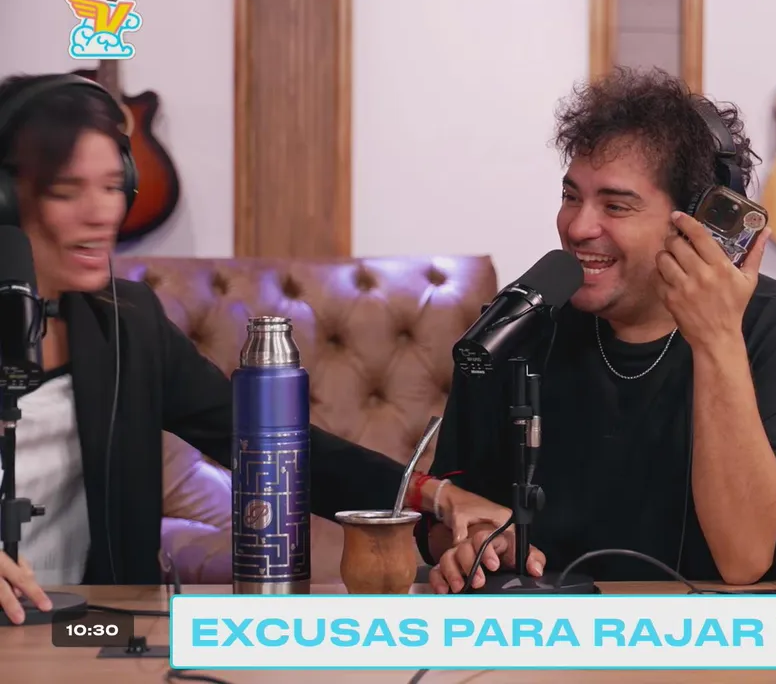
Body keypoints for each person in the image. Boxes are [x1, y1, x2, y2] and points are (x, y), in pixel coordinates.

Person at [0, 73, 507, 624]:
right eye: (66, 191)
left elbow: (271, 446)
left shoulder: (129, 324)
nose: (101, 213)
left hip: (85, 629)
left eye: (110, 185)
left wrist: (434, 495)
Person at [425, 68, 776, 593]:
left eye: (616, 206)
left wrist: (717, 340)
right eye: (571, 196)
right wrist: (474, 543)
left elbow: (746, 560)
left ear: (695, 223)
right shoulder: (523, 320)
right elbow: (446, 515)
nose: (578, 227)